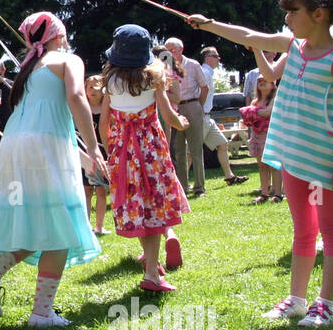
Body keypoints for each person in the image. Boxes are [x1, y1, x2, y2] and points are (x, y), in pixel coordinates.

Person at [188, 0, 333, 327]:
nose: (287, 18)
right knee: (303, 229)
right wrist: (209, 24)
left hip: (326, 160)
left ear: (318, 14)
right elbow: (248, 36)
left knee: (331, 229)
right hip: (294, 154)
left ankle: (326, 305)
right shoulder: (294, 48)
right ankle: (297, 300)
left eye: (293, 11)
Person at [0, 12, 107, 327]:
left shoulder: (29, 70)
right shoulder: (68, 60)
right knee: (59, 225)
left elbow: (43, 112)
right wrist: (95, 147)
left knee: (43, 219)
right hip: (45, 146)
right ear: (58, 36)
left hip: (16, 145)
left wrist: (84, 155)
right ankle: (41, 313)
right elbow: (75, 97)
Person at [96, 25, 191, 290]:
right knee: (155, 205)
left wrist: (110, 151)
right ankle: (151, 271)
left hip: (123, 151)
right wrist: (182, 123)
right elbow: (169, 115)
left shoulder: (111, 84)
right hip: (152, 151)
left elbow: (103, 123)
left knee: (137, 204)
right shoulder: (154, 78)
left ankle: (151, 264)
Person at [163, 38, 210, 196]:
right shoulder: (163, 66)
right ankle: (182, 187)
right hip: (173, 108)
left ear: (181, 49)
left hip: (191, 105)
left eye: (173, 49)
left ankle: (199, 187)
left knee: (196, 148)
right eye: (167, 49)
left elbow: (204, 87)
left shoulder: (193, 64)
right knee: (178, 150)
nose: (170, 52)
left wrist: (198, 107)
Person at [199, 46, 247, 186]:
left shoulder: (209, 73)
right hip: (202, 116)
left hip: (208, 117)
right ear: (207, 58)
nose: (219, 59)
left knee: (222, 143)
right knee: (191, 151)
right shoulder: (204, 72)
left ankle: (229, 176)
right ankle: (182, 183)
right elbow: (199, 93)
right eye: (216, 56)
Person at [240, 73, 279, 204]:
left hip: (271, 137)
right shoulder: (255, 101)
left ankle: (278, 194)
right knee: (262, 166)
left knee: (274, 166)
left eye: (265, 80)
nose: (261, 82)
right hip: (257, 137)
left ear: (272, 85)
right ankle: (264, 192)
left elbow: (267, 112)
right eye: (259, 81)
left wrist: (250, 111)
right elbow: (248, 119)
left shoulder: (275, 99)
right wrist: (252, 112)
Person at [83, 75, 111, 235]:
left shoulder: (107, 107)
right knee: (87, 190)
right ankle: (86, 227)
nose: (93, 91)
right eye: (89, 87)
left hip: (103, 152)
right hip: (85, 152)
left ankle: (99, 226)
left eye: (96, 87)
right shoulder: (81, 107)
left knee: (101, 190)